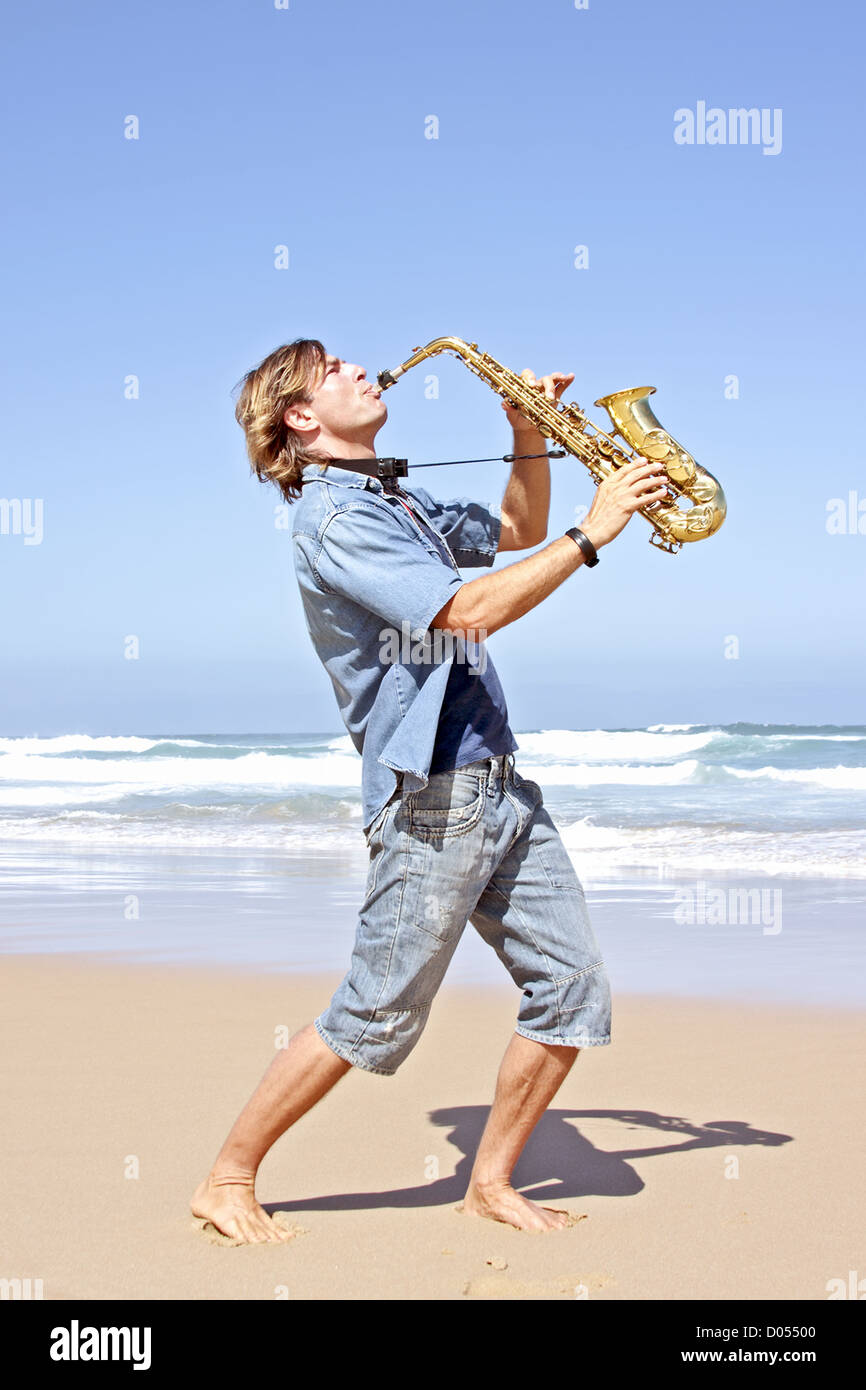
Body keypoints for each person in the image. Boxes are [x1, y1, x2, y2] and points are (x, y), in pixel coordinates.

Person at [190, 338, 669, 1243]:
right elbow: (465, 611)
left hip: (498, 779)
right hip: (433, 794)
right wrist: (594, 534)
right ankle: (227, 1177)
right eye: (333, 370)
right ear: (300, 416)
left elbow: (517, 529)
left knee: (572, 993)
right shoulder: (337, 522)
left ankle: (489, 1183)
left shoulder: (392, 499)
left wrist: (528, 431)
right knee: (374, 1011)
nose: (361, 369)